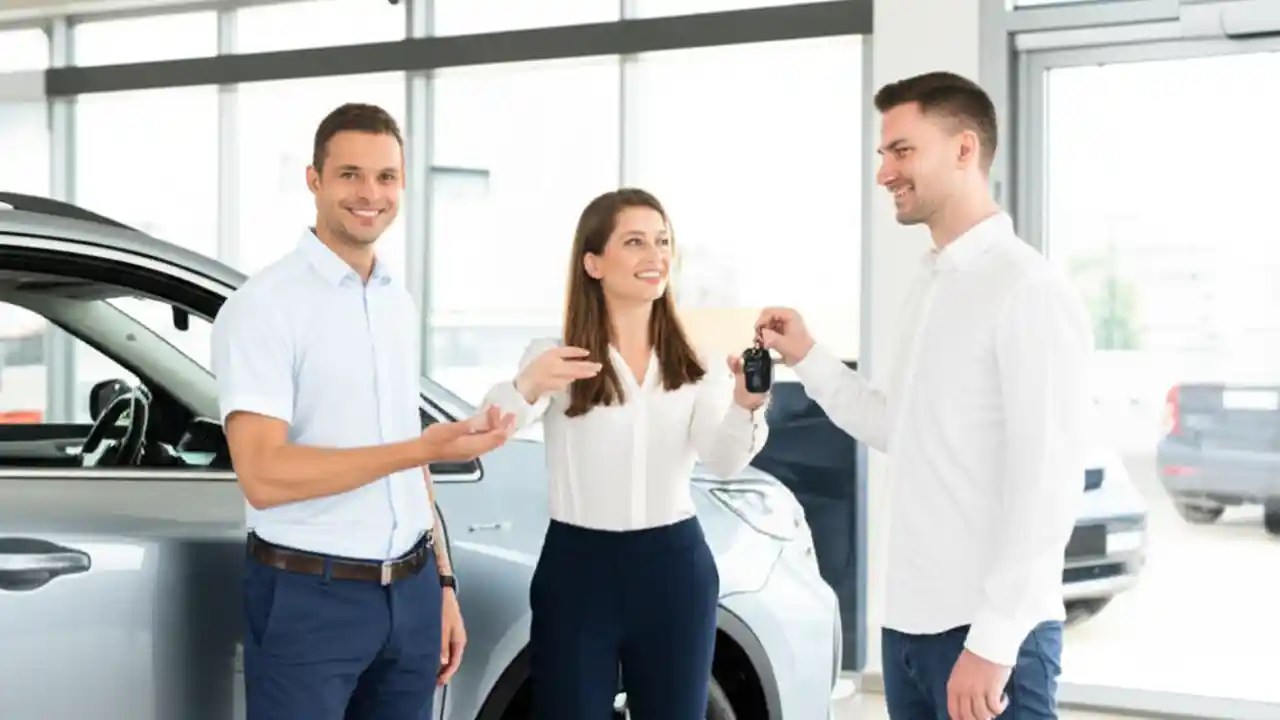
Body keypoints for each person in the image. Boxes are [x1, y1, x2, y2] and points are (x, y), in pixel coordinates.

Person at [756, 72, 1093, 720]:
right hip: (909, 630)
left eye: (902, 151)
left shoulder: (1026, 289)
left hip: (987, 638)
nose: (884, 172)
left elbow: (1047, 484)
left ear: (964, 149)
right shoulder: (932, 286)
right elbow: (896, 426)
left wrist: (992, 645)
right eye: (884, 154)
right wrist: (807, 355)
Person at [211, 102, 514, 720]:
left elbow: (408, 457)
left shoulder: (394, 299)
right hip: (309, 598)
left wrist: (443, 585)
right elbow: (264, 476)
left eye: (386, 176)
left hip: (411, 594)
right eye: (349, 174)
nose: (369, 193)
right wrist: (423, 447)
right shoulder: (264, 307)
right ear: (314, 180)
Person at [478, 188, 770, 720]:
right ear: (593, 262)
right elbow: (492, 427)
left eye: (662, 241)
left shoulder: (695, 362)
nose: (654, 255)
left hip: (674, 569)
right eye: (634, 242)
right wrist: (526, 384)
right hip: (577, 570)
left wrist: (747, 406)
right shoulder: (555, 354)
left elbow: (724, 459)